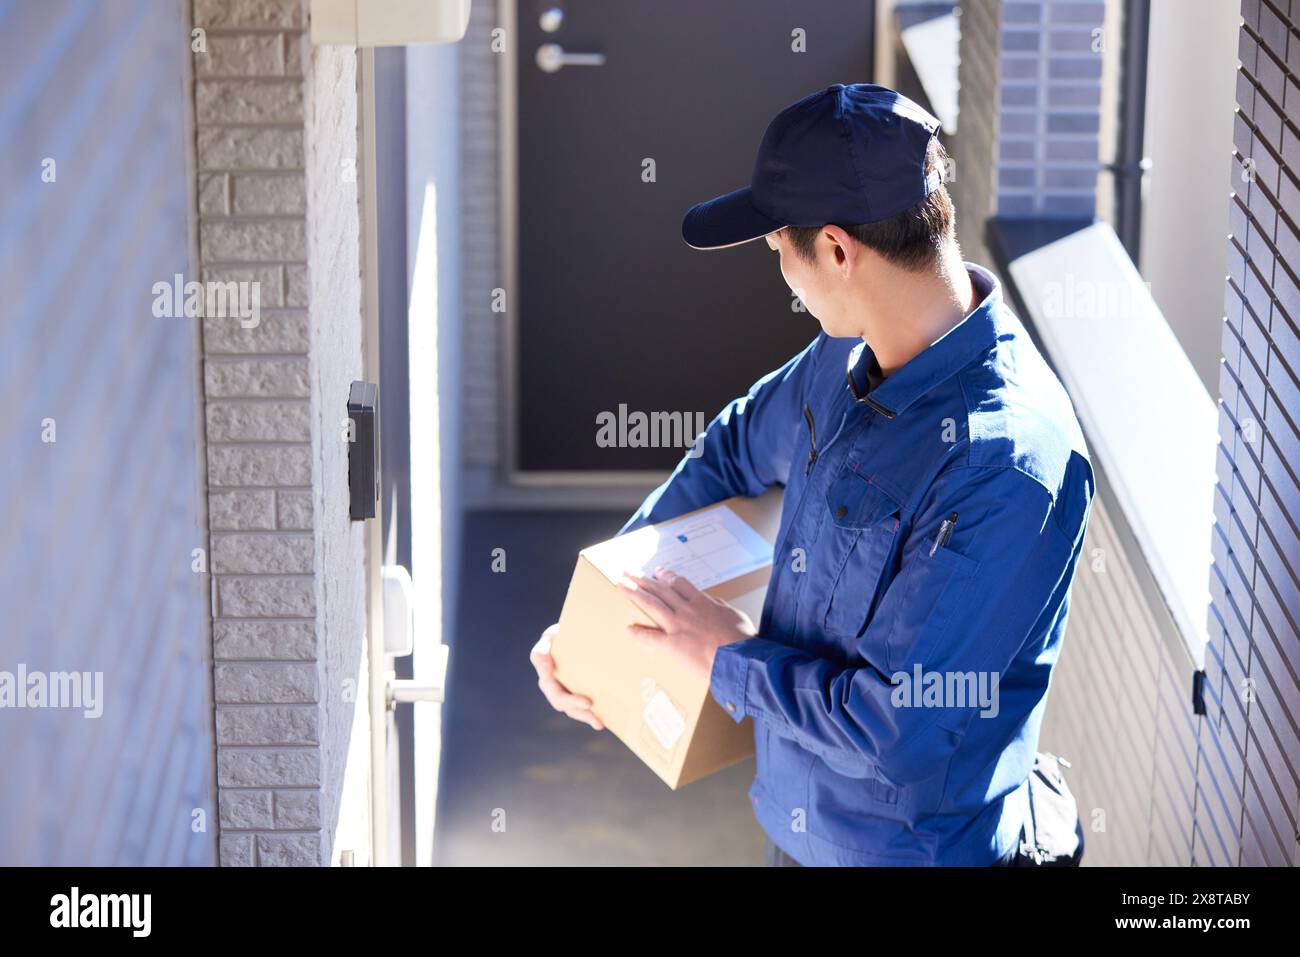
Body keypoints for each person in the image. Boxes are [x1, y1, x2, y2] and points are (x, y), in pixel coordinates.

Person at [531, 84, 1094, 867]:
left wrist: (729, 658)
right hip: (797, 836)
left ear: (836, 248)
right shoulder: (843, 353)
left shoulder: (1005, 465)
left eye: (778, 246)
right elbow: (732, 449)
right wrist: (605, 605)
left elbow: (900, 726)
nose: (778, 266)